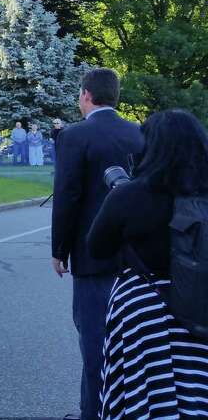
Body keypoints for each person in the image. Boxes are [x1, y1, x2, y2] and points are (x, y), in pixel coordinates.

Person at [88, 109, 208, 419]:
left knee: (144, 398)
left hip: (144, 313)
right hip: (203, 308)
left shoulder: (129, 195)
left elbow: (97, 248)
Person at [50, 68, 143, 420]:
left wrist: (59, 249)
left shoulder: (74, 136)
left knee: (94, 340)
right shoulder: (138, 133)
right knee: (128, 340)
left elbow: (67, 196)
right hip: (135, 256)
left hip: (92, 254)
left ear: (86, 95)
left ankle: (93, 412)